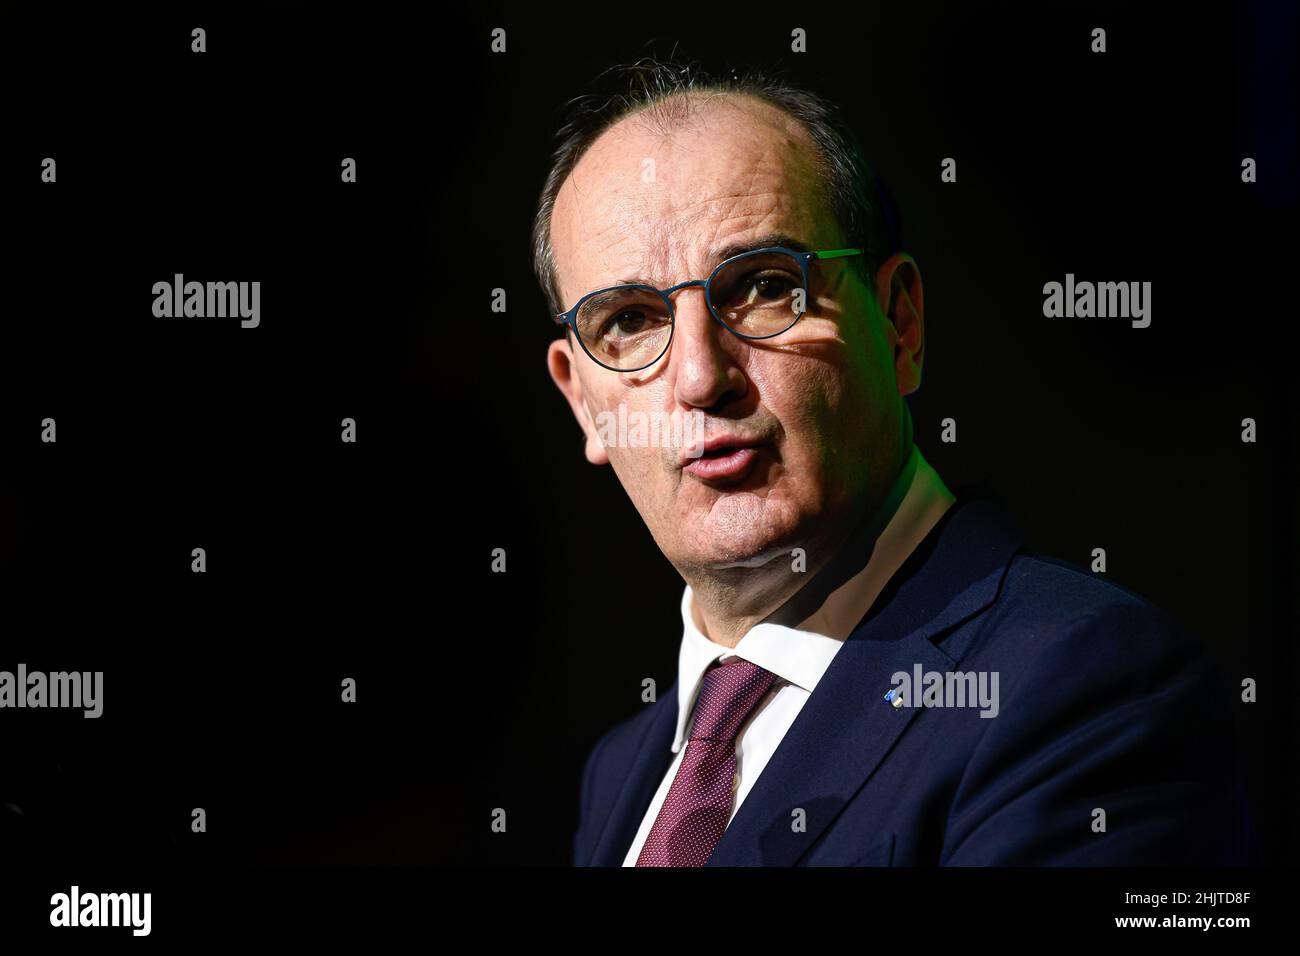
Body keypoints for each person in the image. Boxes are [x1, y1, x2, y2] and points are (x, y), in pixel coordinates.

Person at [533, 58, 1253, 866]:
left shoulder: (1087, 687)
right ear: (584, 402)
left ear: (900, 323)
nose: (702, 377)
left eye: (765, 287)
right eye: (628, 318)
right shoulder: (620, 770)